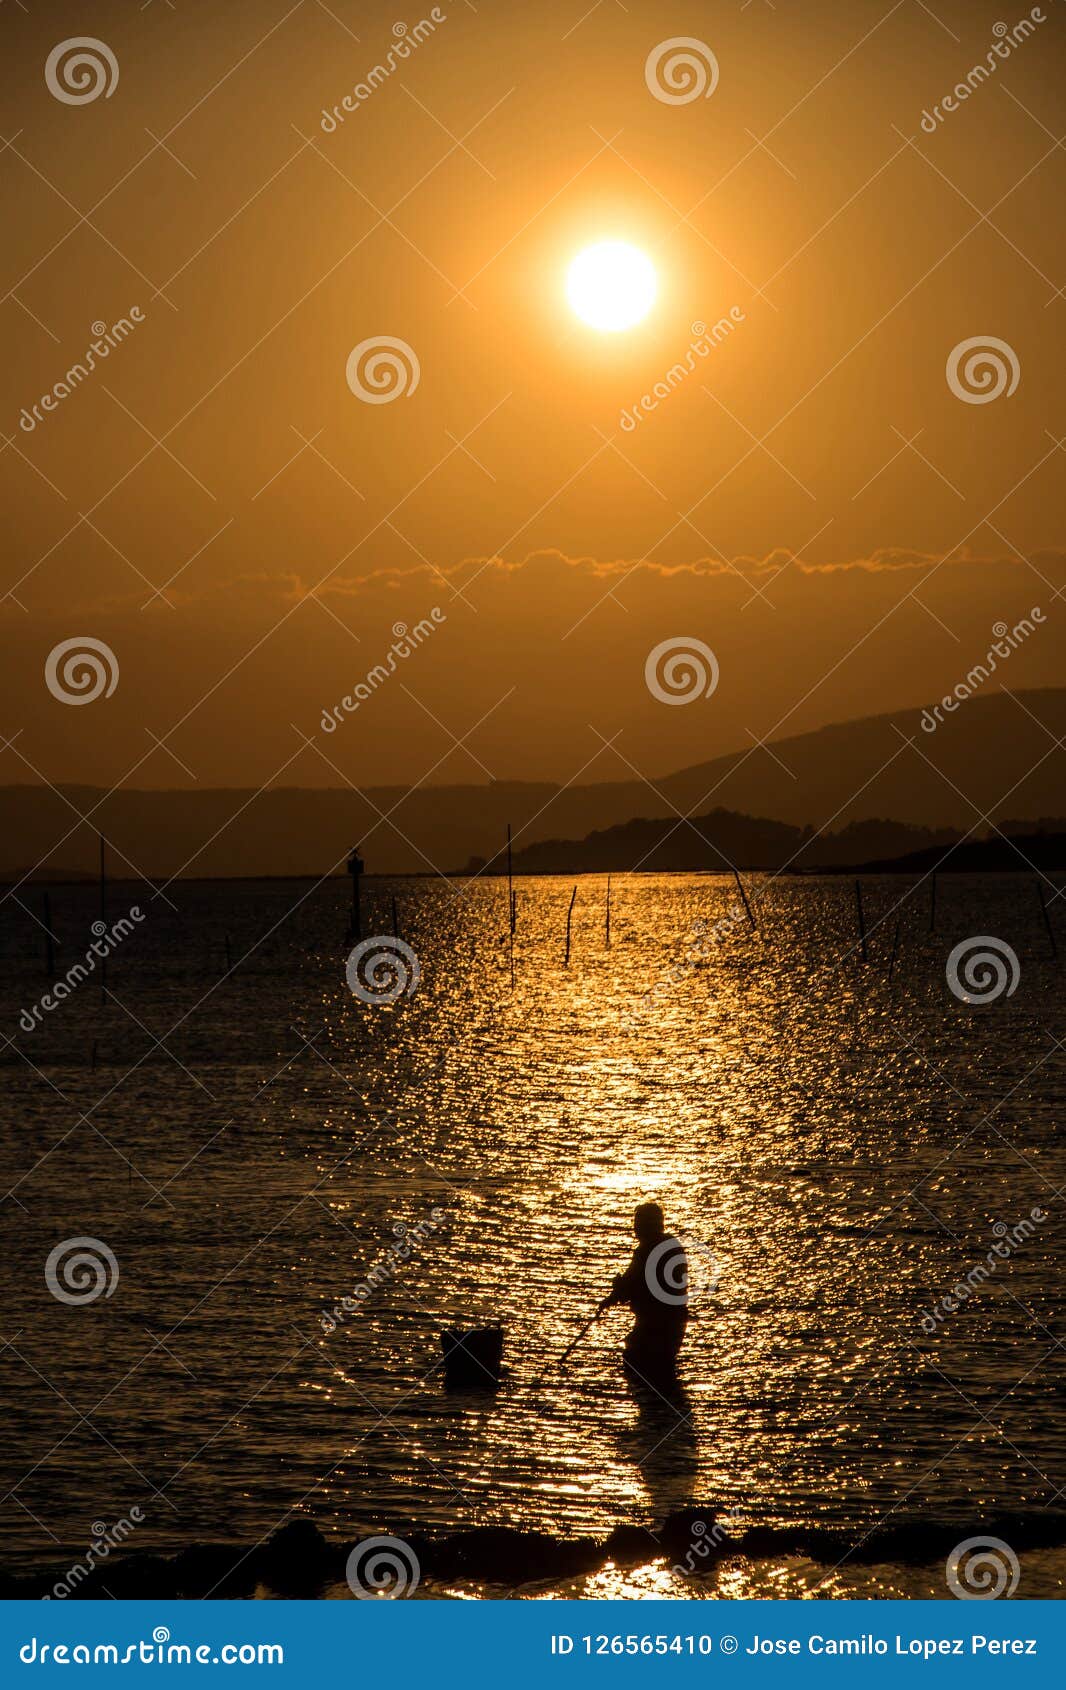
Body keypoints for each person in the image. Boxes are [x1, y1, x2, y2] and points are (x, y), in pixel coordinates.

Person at [598, 1202, 689, 1381]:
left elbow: (633, 1285)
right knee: (661, 1371)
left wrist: (616, 1291)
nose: (635, 1228)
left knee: (636, 1364)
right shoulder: (673, 1245)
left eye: (638, 1223)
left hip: (654, 1324)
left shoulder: (646, 1251)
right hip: (675, 1321)